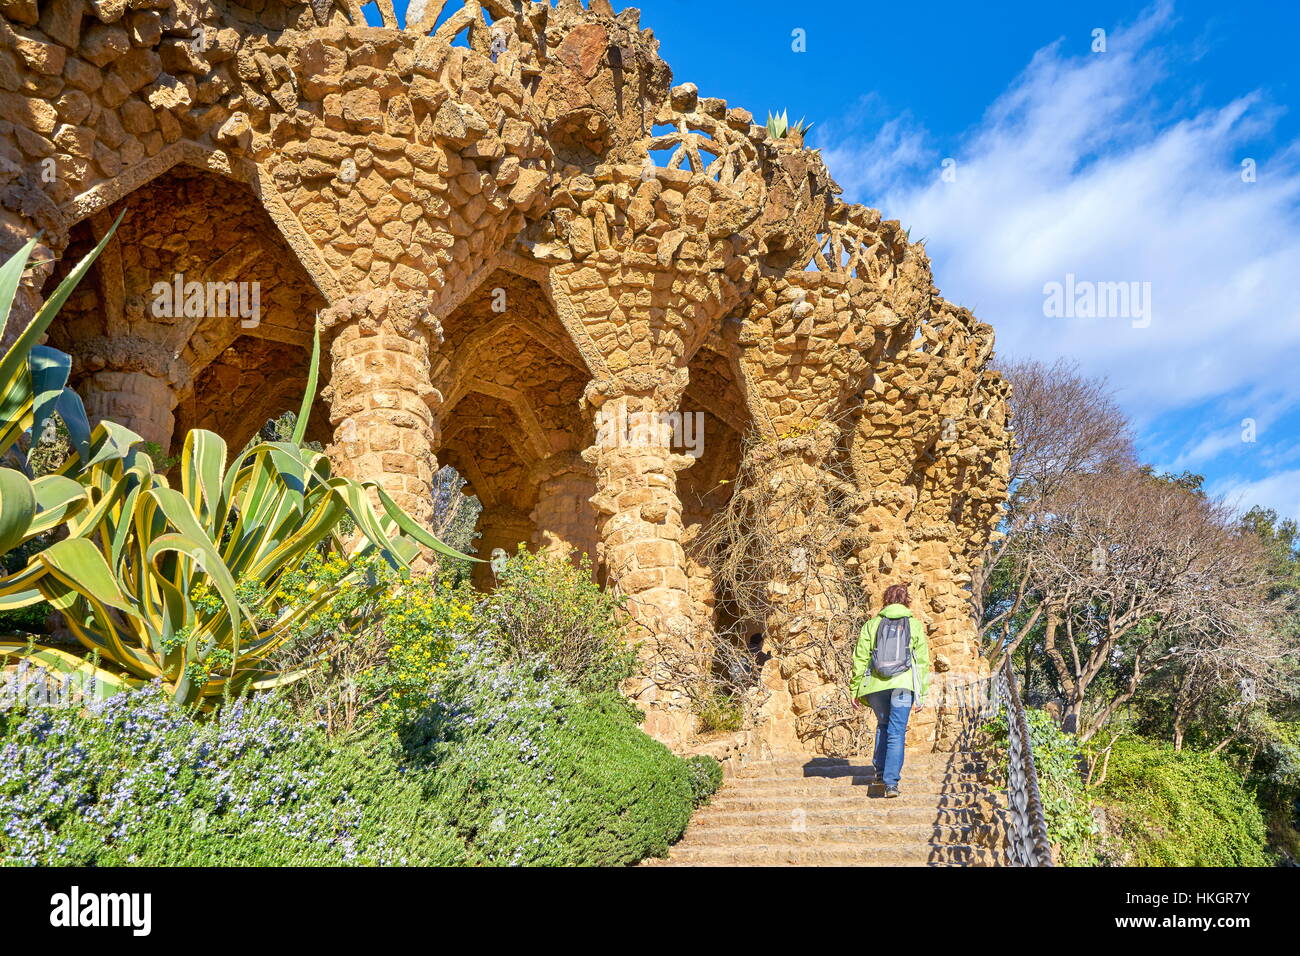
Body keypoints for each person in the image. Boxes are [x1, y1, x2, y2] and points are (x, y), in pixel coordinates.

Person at [850, 584, 931, 798]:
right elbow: (922, 662)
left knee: (883, 726)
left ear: (885, 600)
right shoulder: (913, 625)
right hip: (903, 686)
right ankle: (891, 784)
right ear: (907, 601)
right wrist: (921, 693)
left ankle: (879, 773)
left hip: (876, 687)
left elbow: (860, 658)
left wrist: (856, 688)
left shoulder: (872, 624)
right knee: (896, 732)